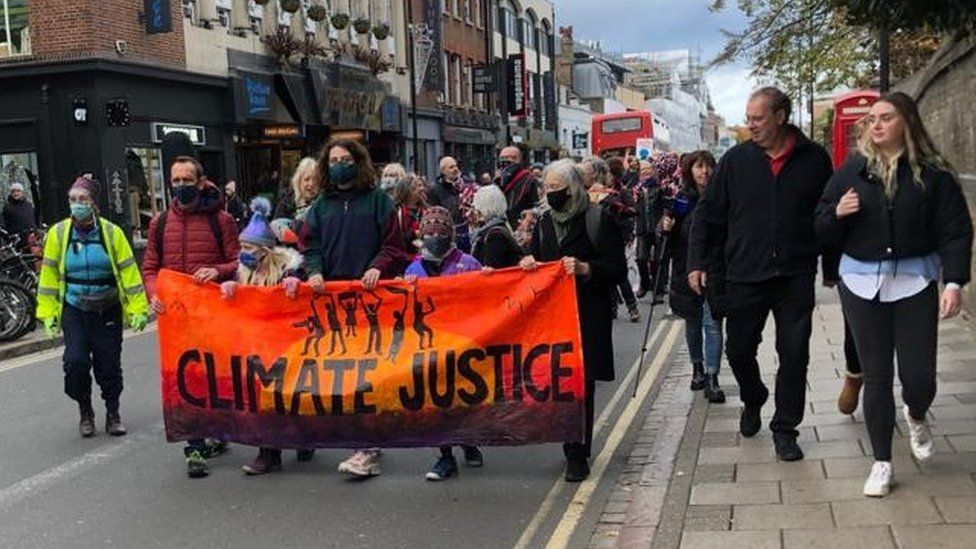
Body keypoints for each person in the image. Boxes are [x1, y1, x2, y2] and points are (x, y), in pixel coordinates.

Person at [816, 92, 972, 497]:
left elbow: (956, 231)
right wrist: (836, 214)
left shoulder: (934, 176)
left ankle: (917, 412)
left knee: (919, 376)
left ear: (908, 122)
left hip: (916, 283)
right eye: (871, 119)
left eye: (885, 117)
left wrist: (953, 282)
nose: (876, 125)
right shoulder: (851, 171)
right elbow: (819, 225)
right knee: (879, 376)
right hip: (861, 286)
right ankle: (881, 462)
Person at [688, 87, 834, 462]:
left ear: (781, 116)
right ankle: (754, 397)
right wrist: (697, 263)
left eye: (758, 119)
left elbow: (827, 216)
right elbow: (708, 216)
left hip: (795, 274)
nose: (749, 125)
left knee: (794, 355)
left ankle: (785, 429)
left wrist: (831, 266)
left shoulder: (815, 160)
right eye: (748, 118)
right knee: (738, 351)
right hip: (744, 274)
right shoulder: (736, 161)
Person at [303, 138, 407, 478]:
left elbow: (395, 247)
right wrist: (315, 271)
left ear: (358, 162)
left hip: (372, 302)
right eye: (332, 160)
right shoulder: (320, 206)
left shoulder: (378, 203)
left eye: (345, 159)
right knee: (341, 372)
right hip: (333, 304)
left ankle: (368, 446)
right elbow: (311, 245)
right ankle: (355, 439)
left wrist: (378, 265)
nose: (338, 165)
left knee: (368, 374)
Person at [520, 159, 626, 482]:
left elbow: (618, 269)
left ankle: (578, 453)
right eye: (547, 189)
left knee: (584, 385)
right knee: (563, 384)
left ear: (573, 188)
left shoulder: (598, 219)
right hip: (556, 319)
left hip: (589, 314)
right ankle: (571, 446)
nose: (550, 194)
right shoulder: (544, 225)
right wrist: (528, 263)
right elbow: (538, 265)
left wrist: (586, 268)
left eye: (556, 189)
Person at [141, 156, 241, 478]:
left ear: (200, 182)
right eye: (175, 180)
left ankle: (217, 431)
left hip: (213, 316)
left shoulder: (221, 220)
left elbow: (238, 262)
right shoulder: (159, 224)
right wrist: (154, 294)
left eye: (187, 180)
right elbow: (150, 269)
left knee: (215, 378)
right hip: (178, 319)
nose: (180, 186)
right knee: (187, 380)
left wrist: (218, 270)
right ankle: (194, 447)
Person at [36, 176, 149, 438]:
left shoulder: (111, 233)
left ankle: (113, 411)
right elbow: (49, 276)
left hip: (107, 308)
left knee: (108, 365)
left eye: (82, 199)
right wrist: (48, 314)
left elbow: (130, 273)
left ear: (93, 203)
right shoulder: (59, 234)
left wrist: (138, 309)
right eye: (73, 200)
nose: (77, 205)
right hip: (74, 309)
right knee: (75, 363)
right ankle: (85, 410)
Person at [218, 197, 310, 475]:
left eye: (248, 248)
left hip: (288, 344)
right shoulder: (244, 272)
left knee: (292, 396)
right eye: (242, 247)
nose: (243, 253)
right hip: (258, 346)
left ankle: (303, 437)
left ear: (265, 251)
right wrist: (232, 290)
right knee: (263, 397)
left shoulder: (288, 269)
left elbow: (302, 290)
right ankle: (268, 452)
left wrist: (297, 283)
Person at [402, 206, 485, 480]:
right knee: (438, 401)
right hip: (430, 347)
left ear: (450, 233)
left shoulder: (469, 264)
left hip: (463, 345)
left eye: (441, 231)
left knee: (464, 398)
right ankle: (445, 456)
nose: (435, 235)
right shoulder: (413, 269)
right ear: (421, 234)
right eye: (430, 231)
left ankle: (469, 440)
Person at [664, 151, 725, 403]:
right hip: (685, 269)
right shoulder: (682, 200)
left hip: (715, 269)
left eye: (709, 166)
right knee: (692, 322)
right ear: (690, 170)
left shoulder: (722, 198)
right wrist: (665, 228)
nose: (705, 172)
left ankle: (712, 377)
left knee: (713, 323)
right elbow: (669, 239)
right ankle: (697, 369)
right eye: (699, 167)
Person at [469, 185, 522, 269]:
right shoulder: (501, 228)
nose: (475, 210)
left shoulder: (495, 236)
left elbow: (492, 271)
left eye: (477, 207)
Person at [496, 146, 540, 227]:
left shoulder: (529, 180)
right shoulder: (498, 181)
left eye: (506, 158)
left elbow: (536, 206)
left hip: (521, 226)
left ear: (517, 160)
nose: (502, 162)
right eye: (500, 158)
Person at [634, 161, 658, 297]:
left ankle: (657, 288)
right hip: (642, 228)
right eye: (643, 169)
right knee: (641, 258)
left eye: (648, 168)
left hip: (657, 228)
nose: (646, 171)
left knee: (658, 260)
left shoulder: (660, 187)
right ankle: (645, 283)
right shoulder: (635, 189)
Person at [389, 174, 427, 256]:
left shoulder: (426, 210)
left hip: (424, 258)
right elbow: (394, 238)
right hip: (404, 259)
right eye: (417, 187)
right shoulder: (396, 212)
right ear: (407, 191)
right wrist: (413, 234)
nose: (422, 189)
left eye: (421, 185)